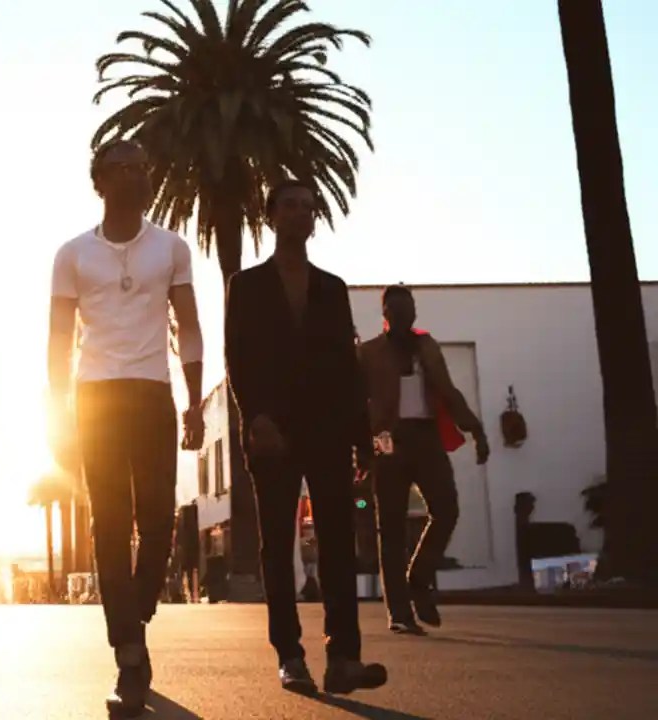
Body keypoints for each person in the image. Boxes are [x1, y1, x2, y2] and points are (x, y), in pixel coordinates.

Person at [47, 138, 205, 716]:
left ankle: (135, 611)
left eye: (144, 167)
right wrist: (57, 410)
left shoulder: (171, 247)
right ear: (101, 181)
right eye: (126, 168)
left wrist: (194, 401)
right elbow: (58, 340)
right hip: (96, 398)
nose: (139, 176)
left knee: (159, 519)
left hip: (153, 393)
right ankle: (130, 655)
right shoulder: (72, 254)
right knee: (110, 525)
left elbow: (189, 326)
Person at [224, 179, 387, 695]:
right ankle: (290, 655)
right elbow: (238, 357)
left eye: (308, 208)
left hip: (328, 428)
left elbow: (347, 364)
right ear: (270, 215)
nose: (299, 214)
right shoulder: (247, 286)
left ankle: (344, 658)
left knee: (337, 541)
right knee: (278, 543)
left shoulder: (332, 288)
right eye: (290, 205)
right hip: (271, 430)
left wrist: (361, 435)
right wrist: (255, 417)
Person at [359, 285, 489, 634]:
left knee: (447, 509)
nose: (405, 315)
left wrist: (475, 430)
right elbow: (354, 405)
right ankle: (400, 613)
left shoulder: (427, 346)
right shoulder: (368, 353)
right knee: (390, 526)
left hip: (426, 437)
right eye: (397, 310)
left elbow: (448, 390)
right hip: (387, 440)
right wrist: (362, 449)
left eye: (409, 309)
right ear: (385, 314)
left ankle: (418, 577)